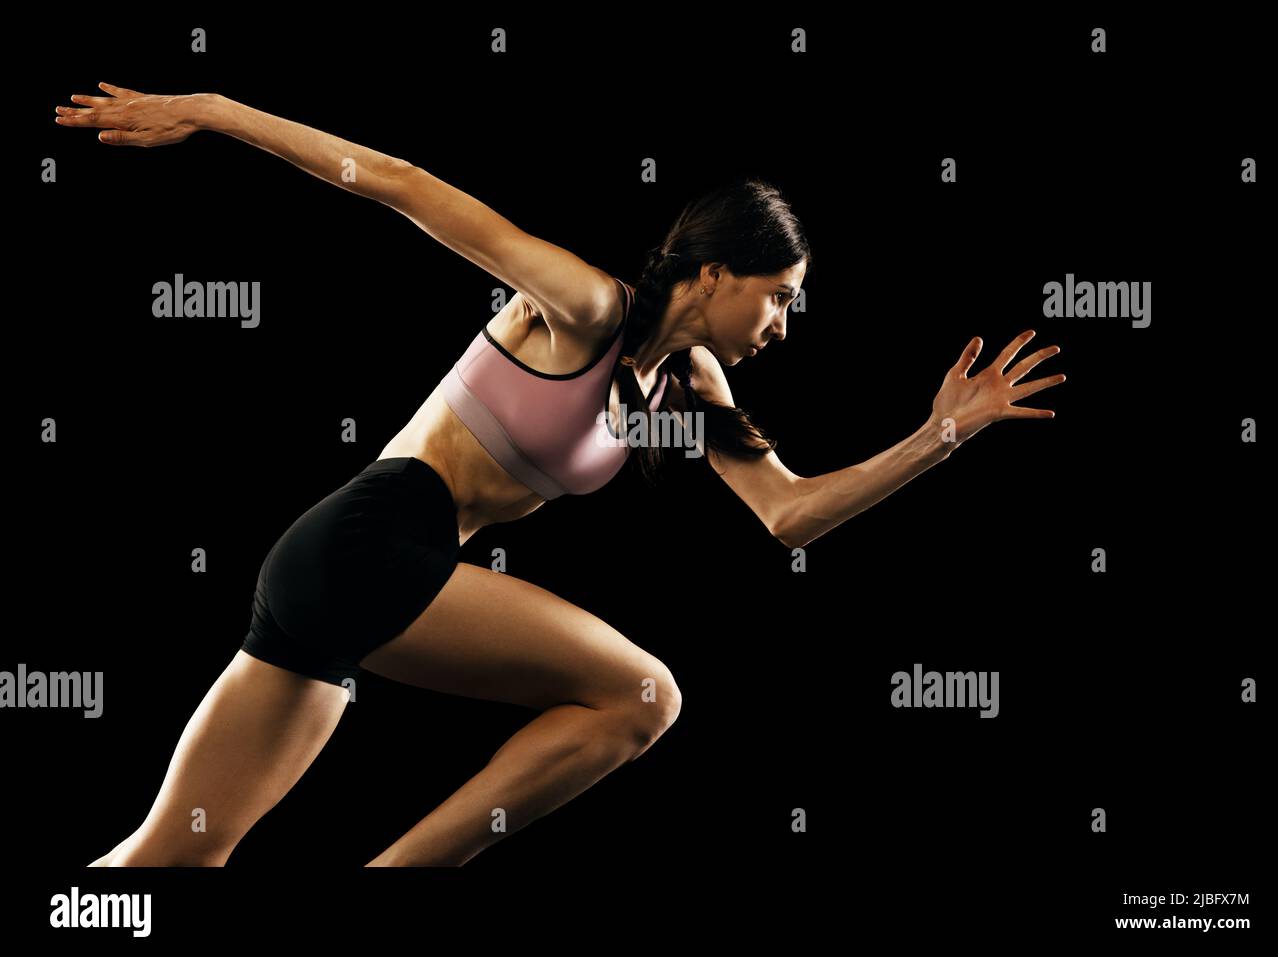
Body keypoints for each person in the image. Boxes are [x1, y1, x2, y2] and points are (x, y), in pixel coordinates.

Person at [62, 84, 1065, 867]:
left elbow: (789, 514)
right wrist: (212, 110)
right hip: (370, 540)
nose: (782, 327)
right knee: (642, 696)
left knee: (177, 853)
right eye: (780, 299)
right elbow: (400, 180)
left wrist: (941, 435)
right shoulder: (582, 307)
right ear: (716, 273)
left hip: (335, 581)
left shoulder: (689, 383)